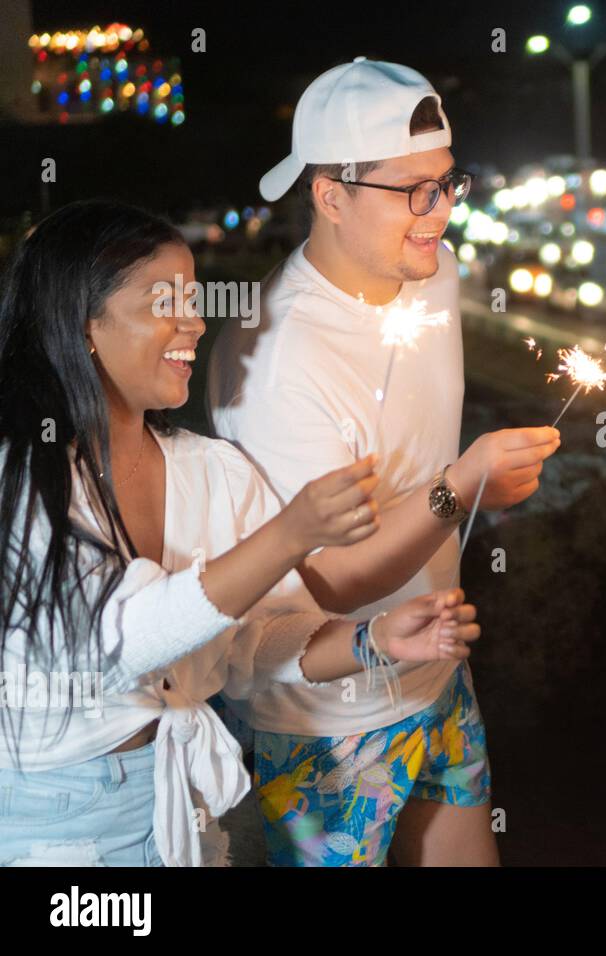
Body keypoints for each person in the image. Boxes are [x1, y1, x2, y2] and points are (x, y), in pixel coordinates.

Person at [0, 201, 481, 867]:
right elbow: (124, 641)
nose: (195, 323)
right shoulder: (27, 473)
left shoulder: (215, 474)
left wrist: (374, 640)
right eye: (164, 300)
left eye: (194, 299)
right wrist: (288, 534)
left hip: (178, 804)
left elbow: (260, 647)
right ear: (85, 323)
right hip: (50, 816)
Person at [208, 58, 559, 867]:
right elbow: (328, 578)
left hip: (436, 666)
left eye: (447, 182)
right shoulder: (278, 357)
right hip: (327, 715)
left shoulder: (432, 277)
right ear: (330, 195)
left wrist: (472, 488)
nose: (440, 213)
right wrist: (464, 483)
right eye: (413, 191)